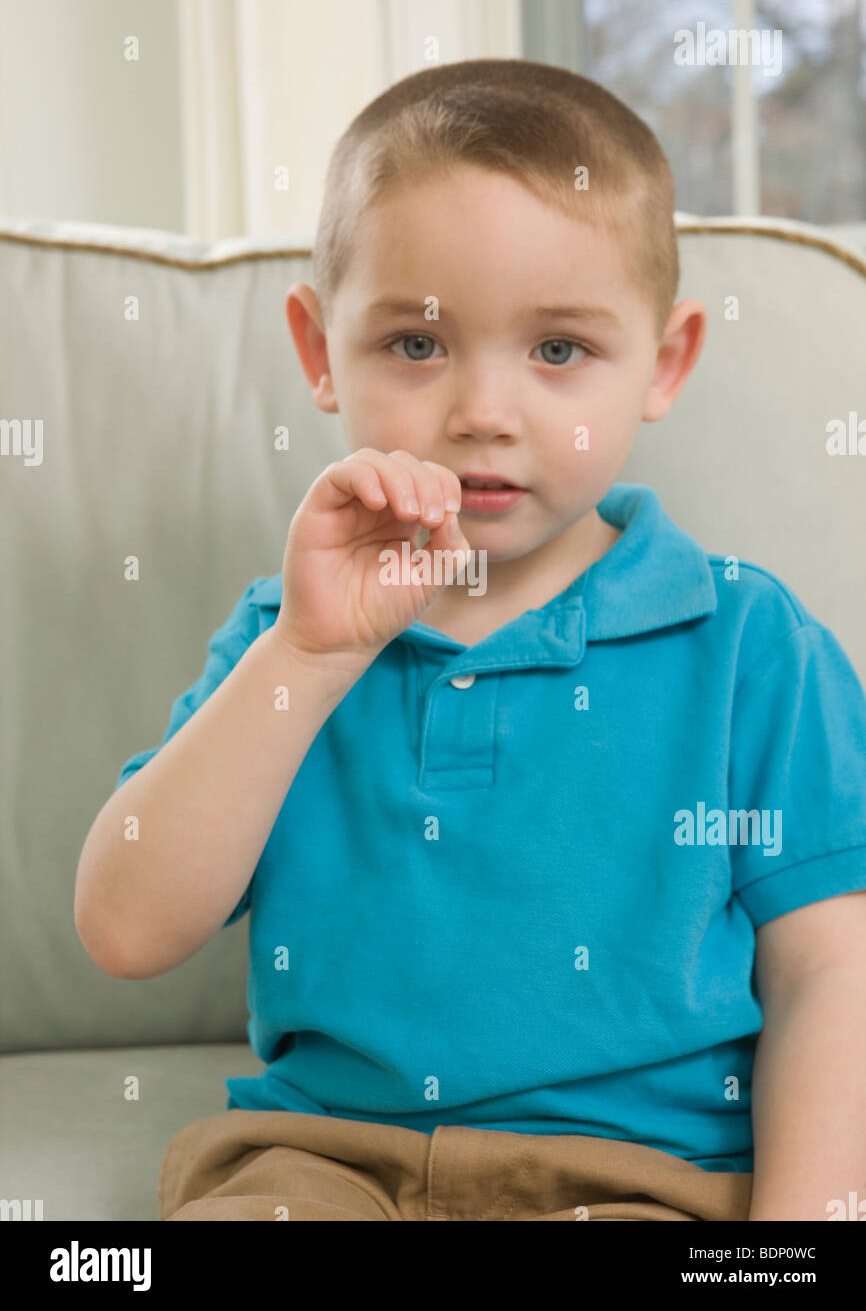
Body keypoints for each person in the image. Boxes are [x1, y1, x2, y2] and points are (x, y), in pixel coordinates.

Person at [74, 59, 866, 1222]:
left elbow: (828, 974)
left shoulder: (749, 644)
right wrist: (304, 661)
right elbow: (126, 929)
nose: (482, 410)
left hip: (637, 1180)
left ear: (665, 361)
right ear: (316, 348)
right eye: (413, 344)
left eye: (557, 351)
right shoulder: (282, 635)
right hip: (318, 1164)